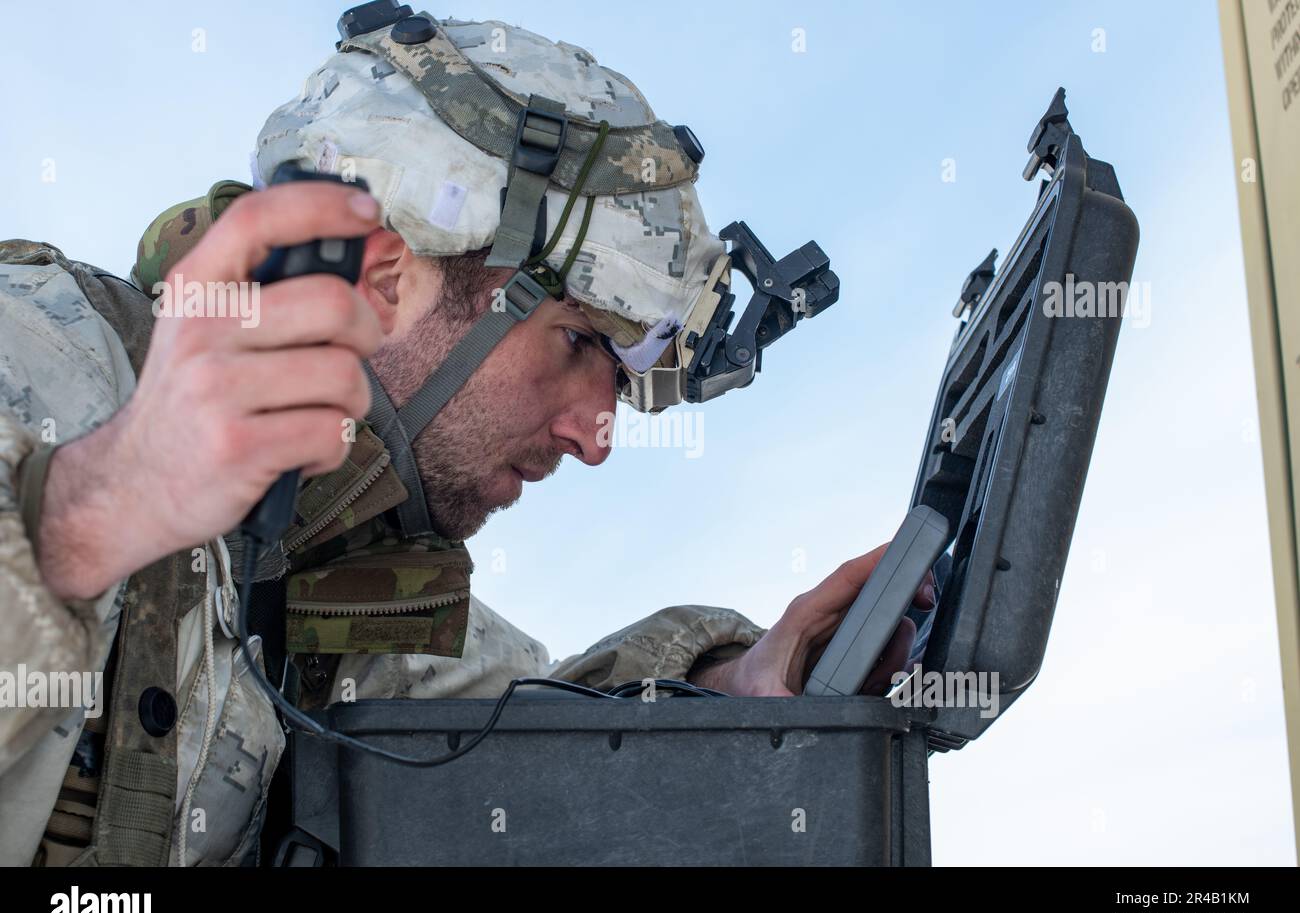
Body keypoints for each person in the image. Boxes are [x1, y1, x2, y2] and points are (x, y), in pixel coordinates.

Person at [0, 10, 931, 867]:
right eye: (576, 343)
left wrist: (736, 686)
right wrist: (90, 512)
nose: (595, 439)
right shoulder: (47, 361)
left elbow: (544, 716)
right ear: (387, 276)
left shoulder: (344, 592)